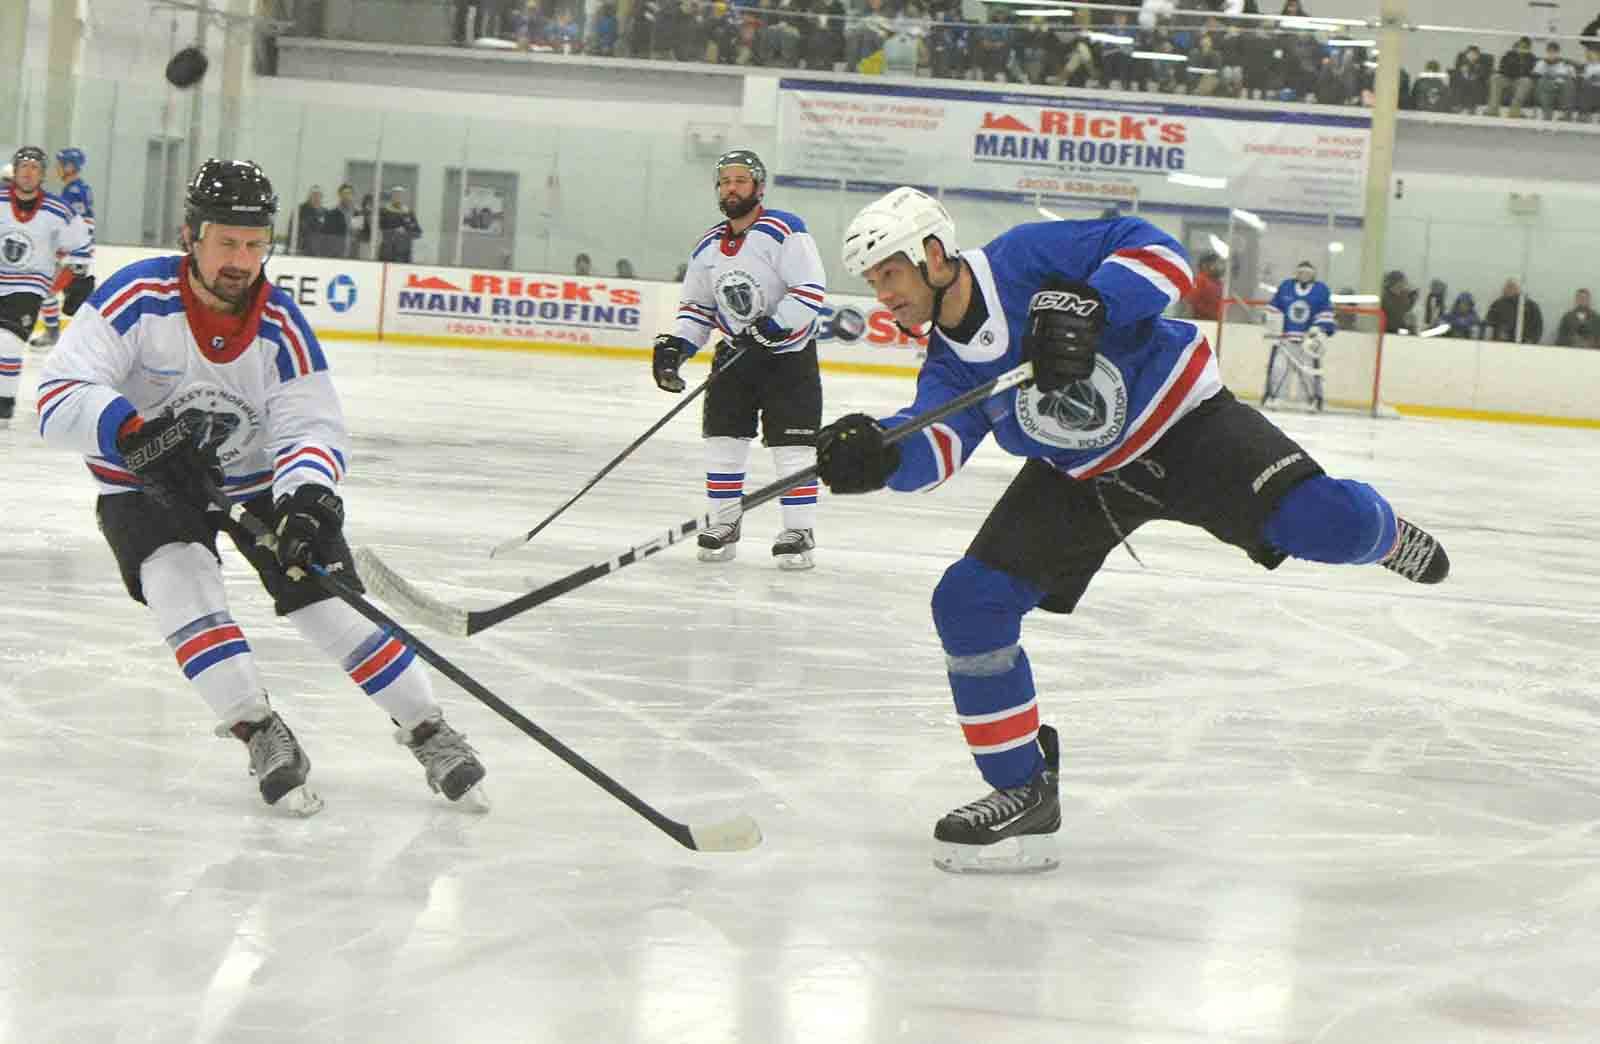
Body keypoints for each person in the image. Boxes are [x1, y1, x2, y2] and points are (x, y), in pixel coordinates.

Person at [813, 187, 1450, 874]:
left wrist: (1095, 303)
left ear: (933, 255)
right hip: (1083, 479)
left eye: (890, 274)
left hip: (1188, 426)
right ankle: (1022, 786)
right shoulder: (947, 363)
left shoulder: (1022, 259)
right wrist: (881, 455)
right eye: (874, 282)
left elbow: (1158, 251)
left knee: (1327, 524)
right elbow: (937, 446)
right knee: (969, 602)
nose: (883, 295)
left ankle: (1382, 535)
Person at [35, 159, 488, 814]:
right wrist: (136, 438)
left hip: (256, 481)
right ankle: (258, 728)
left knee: (323, 600)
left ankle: (427, 727)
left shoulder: (280, 326)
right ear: (191, 235)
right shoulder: (137, 298)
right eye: (226, 241)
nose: (241, 259)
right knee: (178, 581)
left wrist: (306, 499)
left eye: (254, 244)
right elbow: (56, 398)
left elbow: (311, 425)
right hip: (144, 486)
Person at [651, 148, 827, 570]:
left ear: (759, 188)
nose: (732, 187)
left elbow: (810, 291)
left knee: (793, 446)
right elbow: (697, 308)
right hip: (736, 355)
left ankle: (799, 530)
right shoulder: (708, 247)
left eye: (741, 180)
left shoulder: (785, 230)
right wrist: (678, 347)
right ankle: (725, 523)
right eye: (725, 181)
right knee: (723, 439)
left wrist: (775, 325)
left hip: (789, 356)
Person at [0, 147, 93, 420]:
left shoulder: (58, 209)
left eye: (34, 168)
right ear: (14, 171)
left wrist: (77, 277)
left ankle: (3, 404)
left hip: (29, 286)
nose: (28, 173)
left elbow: (81, 245)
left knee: (8, 343)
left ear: (42, 175)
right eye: (23, 167)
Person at [29, 147, 97, 352]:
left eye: (60, 164)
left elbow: (79, 224)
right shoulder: (77, 188)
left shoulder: (73, 191)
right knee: (62, 296)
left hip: (75, 256)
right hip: (75, 255)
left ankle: (54, 333)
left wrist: (68, 249)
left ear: (69, 166)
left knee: (48, 290)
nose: (57, 168)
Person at [1262, 260, 1337, 409]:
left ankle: (1311, 400)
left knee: (1309, 373)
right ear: (1296, 273)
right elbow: (1274, 308)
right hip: (1285, 340)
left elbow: (1325, 312)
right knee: (1278, 369)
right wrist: (1272, 325)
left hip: (1307, 341)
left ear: (1313, 275)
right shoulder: (1286, 287)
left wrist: (1317, 330)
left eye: (1308, 273)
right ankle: (1275, 397)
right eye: (1301, 272)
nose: (1304, 275)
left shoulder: (1321, 290)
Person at [1485, 278, 1544, 343]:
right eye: (1507, 287)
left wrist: (1530, 342)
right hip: (1500, 344)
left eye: (1511, 287)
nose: (1508, 289)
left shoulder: (1531, 307)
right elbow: (1489, 324)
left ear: (1518, 289)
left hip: (1523, 346)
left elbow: (1537, 328)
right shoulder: (1497, 305)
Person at [377, 186, 422, 262]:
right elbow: (380, 227)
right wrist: (394, 231)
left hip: (404, 253)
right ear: (392, 196)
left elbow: (417, 232)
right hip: (388, 253)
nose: (398, 197)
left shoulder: (408, 212)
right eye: (396, 194)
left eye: (400, 195)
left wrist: (406, 232)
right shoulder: (384, 211)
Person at [1183, 250, 1224, 321]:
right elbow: (1192, 303)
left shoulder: (1218, 282)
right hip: (1203, 322)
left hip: (1216, 323)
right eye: (1215, 263)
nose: (1218, 266)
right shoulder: (1200, 281)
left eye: (1219, 263)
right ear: (1205, 265)